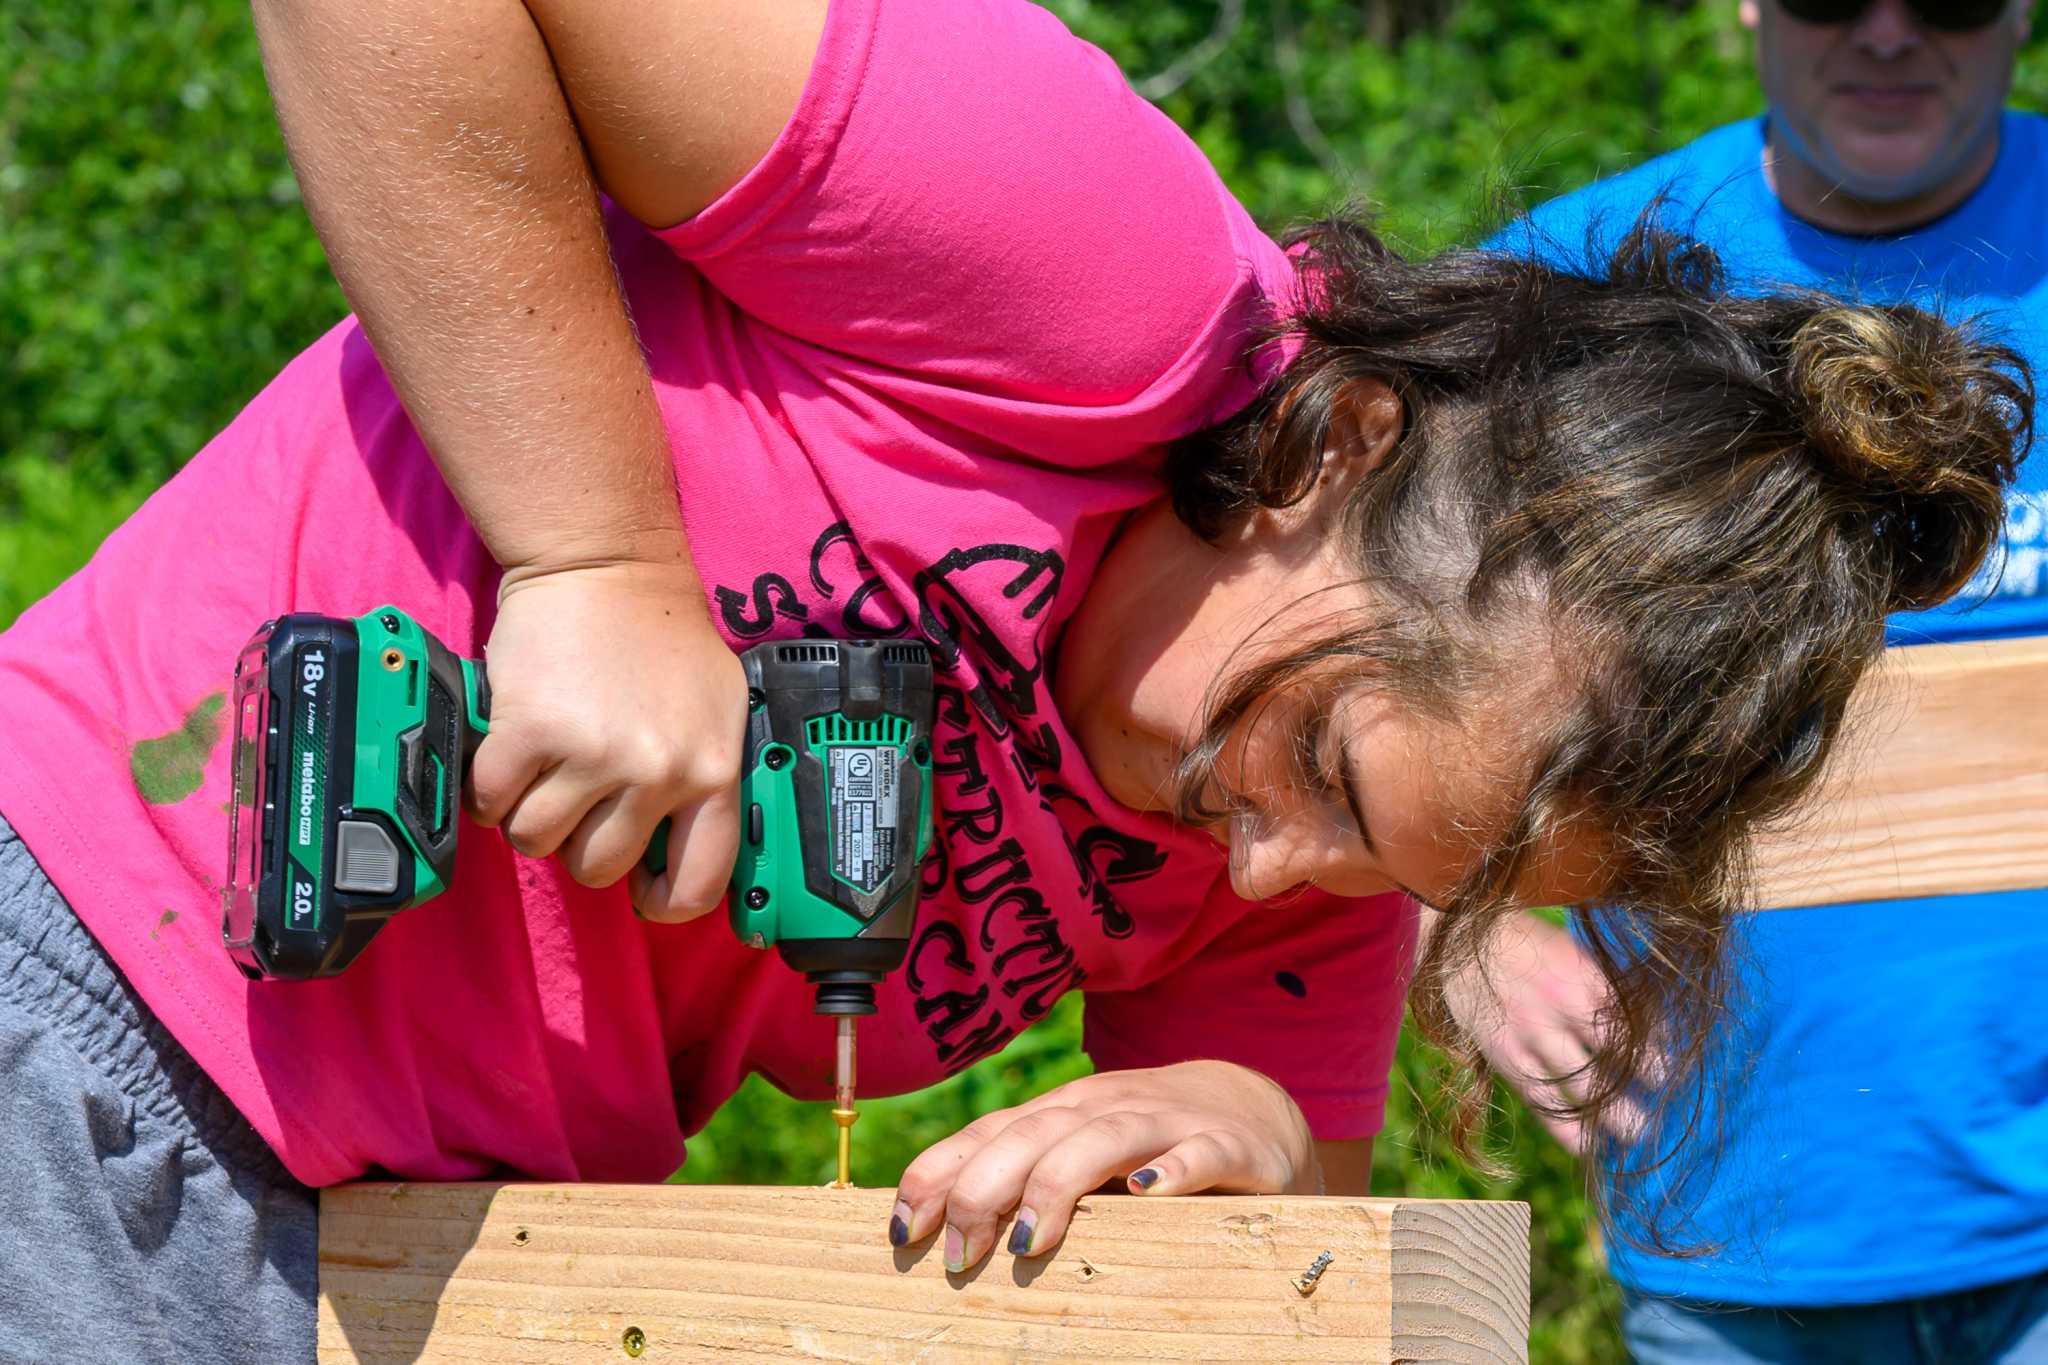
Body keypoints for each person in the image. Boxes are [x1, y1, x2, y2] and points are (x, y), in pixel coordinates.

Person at [0, 0, 2025, 1359]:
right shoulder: (1092, 275)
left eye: (1372, 861)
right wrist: (593, 559)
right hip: (87, 1001)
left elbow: (1288, 1166)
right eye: (1315, 753)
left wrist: (1224, 1110)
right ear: (1346, 454)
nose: (1262, 875)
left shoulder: (1277, 842)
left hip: (396, 1234)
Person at [1476, 0, 2048, 1358]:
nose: (1892, 32)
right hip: (1728, 1227)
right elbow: (1324, 652)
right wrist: (1462, 930)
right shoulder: (1572, 288)